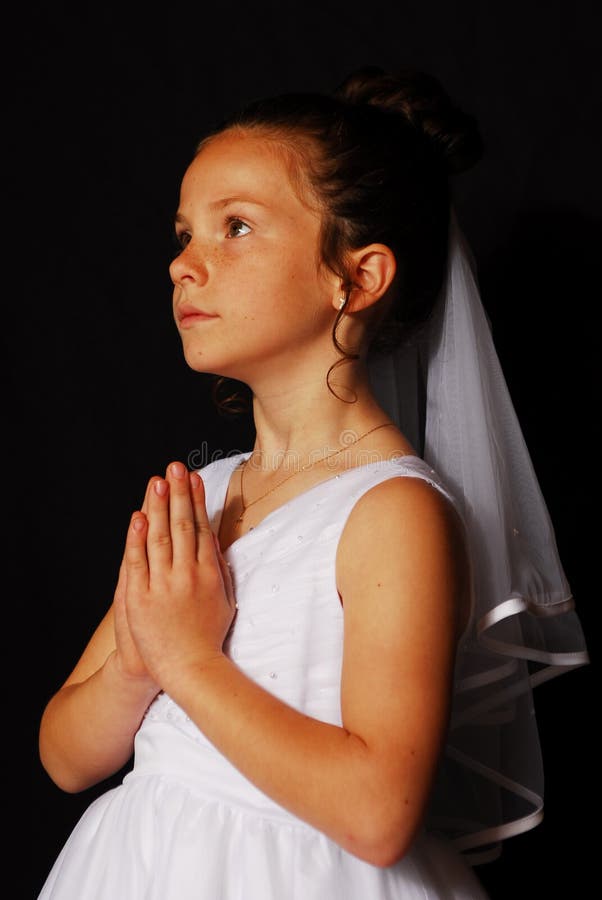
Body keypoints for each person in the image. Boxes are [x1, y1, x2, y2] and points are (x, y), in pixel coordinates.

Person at [37, 66, 589, 899]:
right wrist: (138, 660)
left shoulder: (392, 512)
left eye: (236, 228)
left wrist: (187, 658)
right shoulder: (205, 495)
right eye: (184, 233)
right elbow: (65, 756)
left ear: (356, 278)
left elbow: (378, 812)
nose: (185, 264)